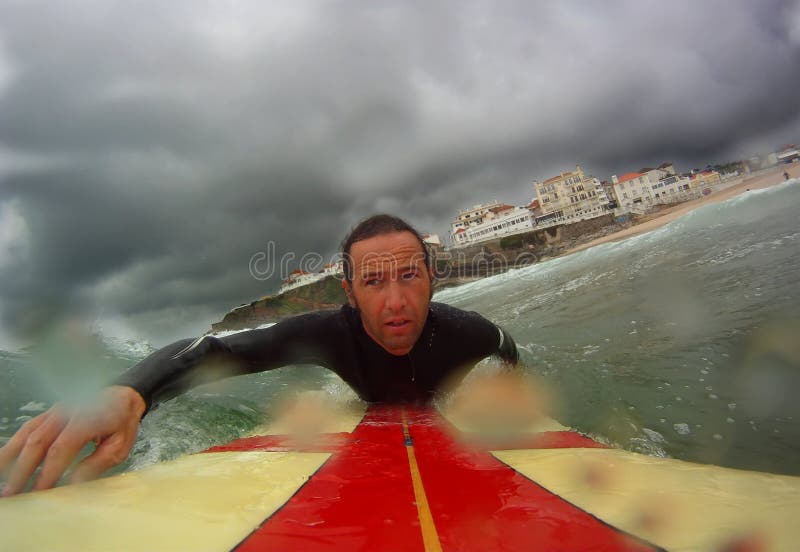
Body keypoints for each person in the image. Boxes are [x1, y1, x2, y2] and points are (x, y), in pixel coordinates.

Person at [0, 214, 518, 496]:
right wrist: (132, 393)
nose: (396, 301)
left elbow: (507, 348)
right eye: (374, 282)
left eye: (410, 275)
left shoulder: (467, 333)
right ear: (350, 291)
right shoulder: (329, 334)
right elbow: (216, 348)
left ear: (432, 277)